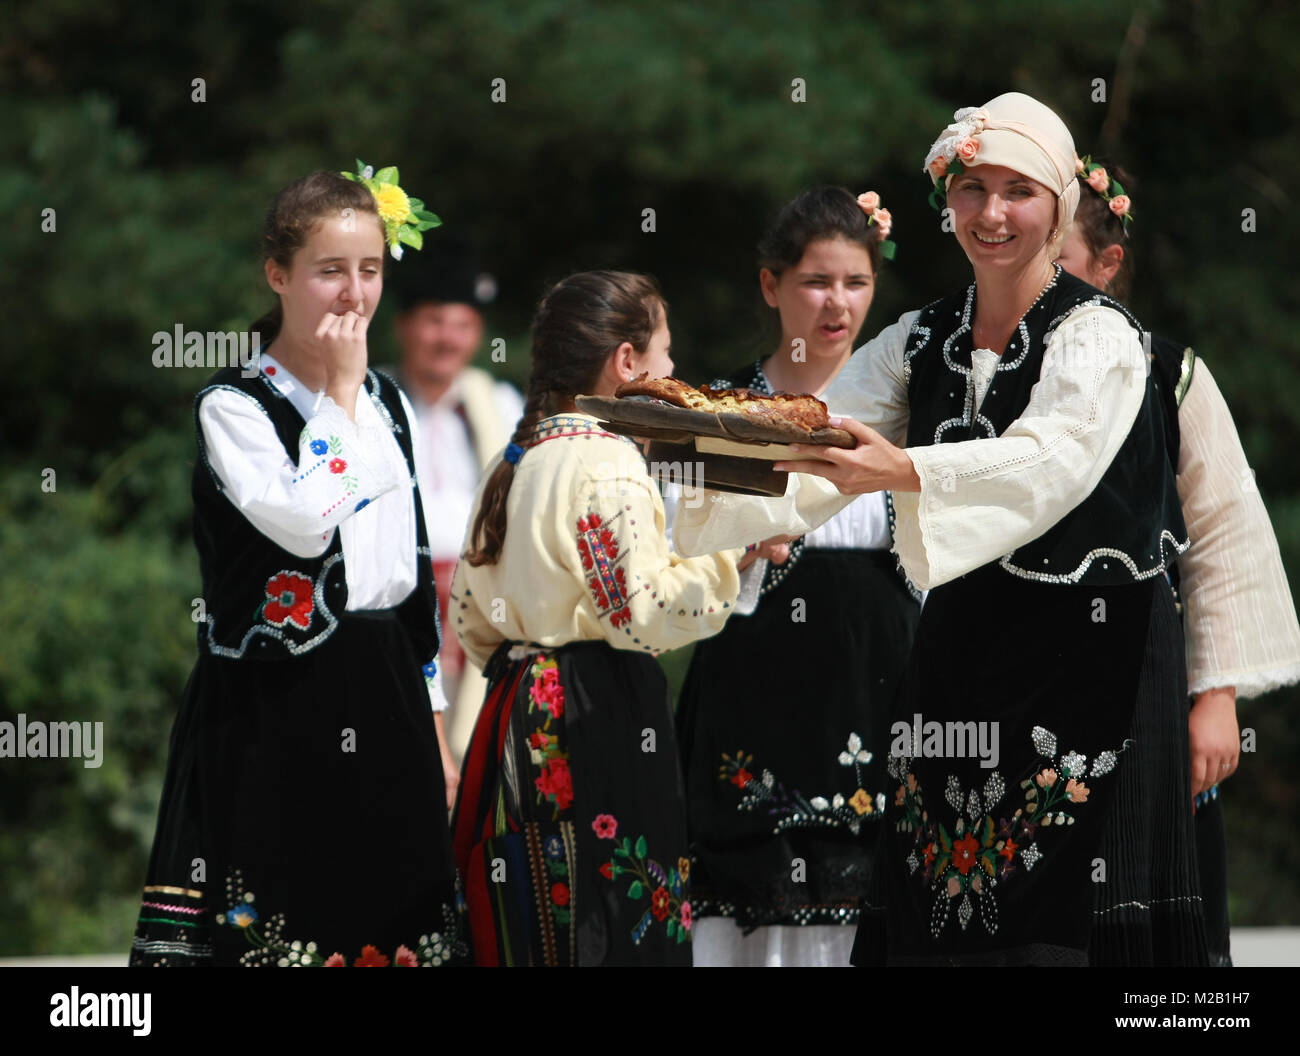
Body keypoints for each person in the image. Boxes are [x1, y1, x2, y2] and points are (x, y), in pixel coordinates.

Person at [674, 92, 1208, 965]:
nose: (991, 213)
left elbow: (1049, 461)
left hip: (1091, 670)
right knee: (944, 925)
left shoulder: (1101, 337)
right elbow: (809, 437)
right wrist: (666, 473)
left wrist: (907, 469)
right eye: (972, 187)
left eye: (1018, 190)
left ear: (1063, 203)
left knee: (1061, 933)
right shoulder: (922, 338)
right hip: (961, 662)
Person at [130, 165, 467, 967]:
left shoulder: (387, 401)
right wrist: (344, 396)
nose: (354, 294)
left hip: (386, 683)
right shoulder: (236, 407)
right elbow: (308, 525)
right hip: (278, 697)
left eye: (371, 270)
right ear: (277, 275)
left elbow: (408, 568)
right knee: (288, 920)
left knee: (396, 921)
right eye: (330, 271)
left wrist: (437, 722)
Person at [449, 270, 748, 966]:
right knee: (610, 923)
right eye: (664, 353)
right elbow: (638, 615)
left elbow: (469, 617)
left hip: (516, 710)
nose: (672, 369)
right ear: (626, 362)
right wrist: (734, 555)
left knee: (533, 917)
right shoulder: (610, 460)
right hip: (595, 714)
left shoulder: (513, 457)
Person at [1056, 156, 1300, 965]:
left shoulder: (1170, 377)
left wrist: (1217, 696)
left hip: (1146, 688)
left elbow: (1227, 534)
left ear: (1107, 265)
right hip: (1017, 687)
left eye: (1059, 264)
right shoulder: (985, 375)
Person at [674, 187, 921, 966]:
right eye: (817, 281)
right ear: (770, 285)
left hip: (884, 703)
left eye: (856, 283)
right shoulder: (719, 415)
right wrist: (736, 556)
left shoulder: (911, 416)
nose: (836, 304)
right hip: (755, 706)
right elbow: (675, 571)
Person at [392, 237, 524, 790]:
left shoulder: (501, 404)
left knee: (479, 760)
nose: (448, 338)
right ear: (403, 326)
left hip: (481, 598)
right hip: (405, 596)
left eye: (462, 325)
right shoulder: (372, 399)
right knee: (404, 746)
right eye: (433, 321)